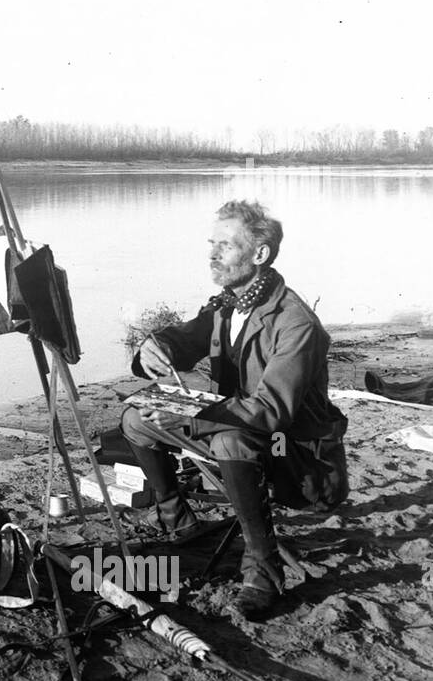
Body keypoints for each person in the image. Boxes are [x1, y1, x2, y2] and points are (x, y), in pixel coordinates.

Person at [120, 199, 348, 620]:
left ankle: (263, 570)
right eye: (211, 243)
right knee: (136, 419)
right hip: (242, 430)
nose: (212, 254)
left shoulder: (296, 324)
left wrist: (191, 416)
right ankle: (179, 523)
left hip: (292, 453)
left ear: (259, 255)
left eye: (225, 245)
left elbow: (272, 413)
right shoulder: (230, 304)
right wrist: (156, 345)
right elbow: (188, 337)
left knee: (230, 438)